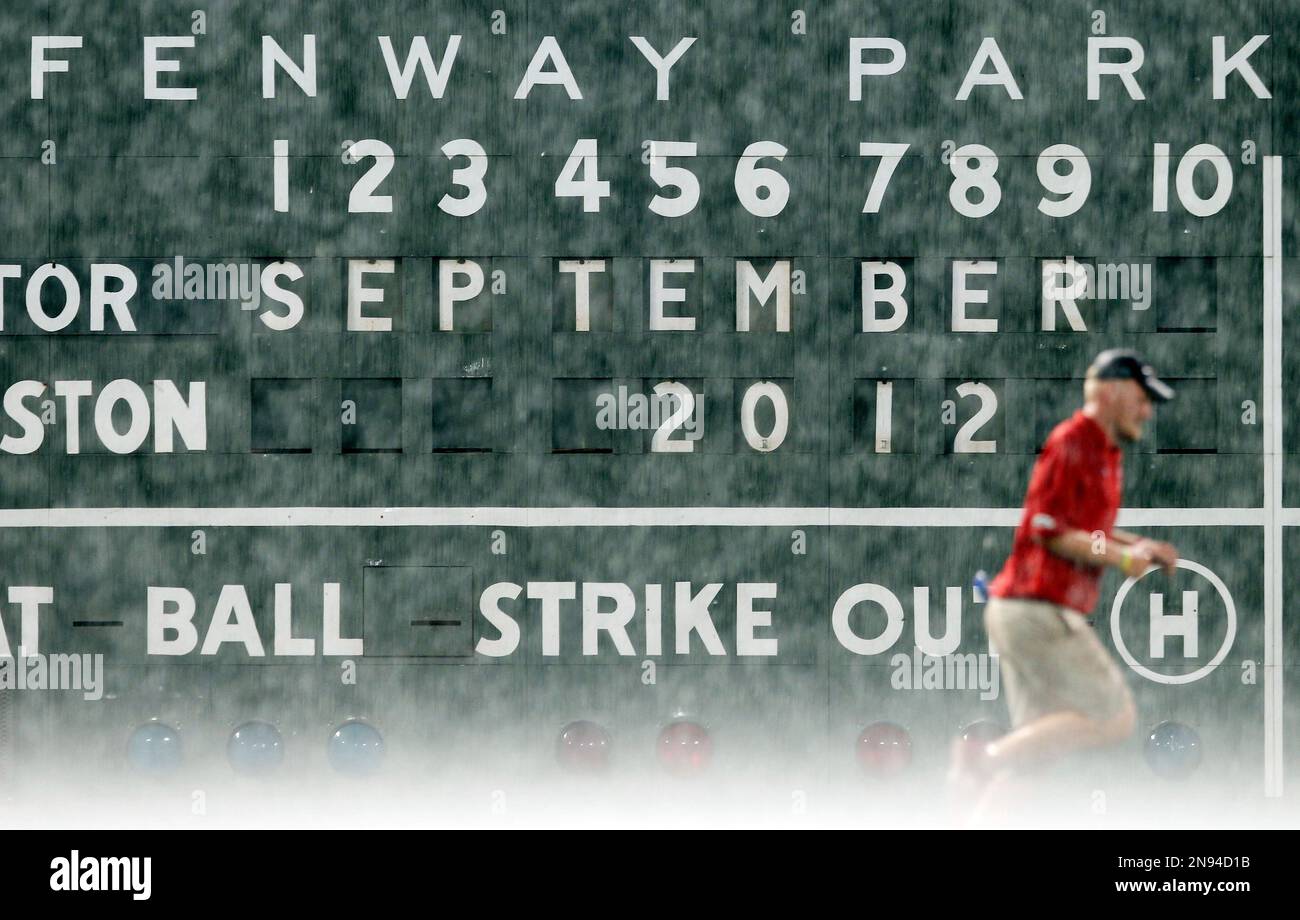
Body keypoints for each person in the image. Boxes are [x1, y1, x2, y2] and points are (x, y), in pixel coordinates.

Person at [950, 348, 1180, 820]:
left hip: (1024, 610)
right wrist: (1119, 556)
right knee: (1113, 717)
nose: (1147, 410)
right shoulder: (1074, 440)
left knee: (1037, 757)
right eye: (1141, 398)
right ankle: (981, 759)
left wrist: (1136, 544)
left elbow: (1081, 526)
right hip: (1035, 610)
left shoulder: (1105, 452)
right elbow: (1047, 528)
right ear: (1110, 392)